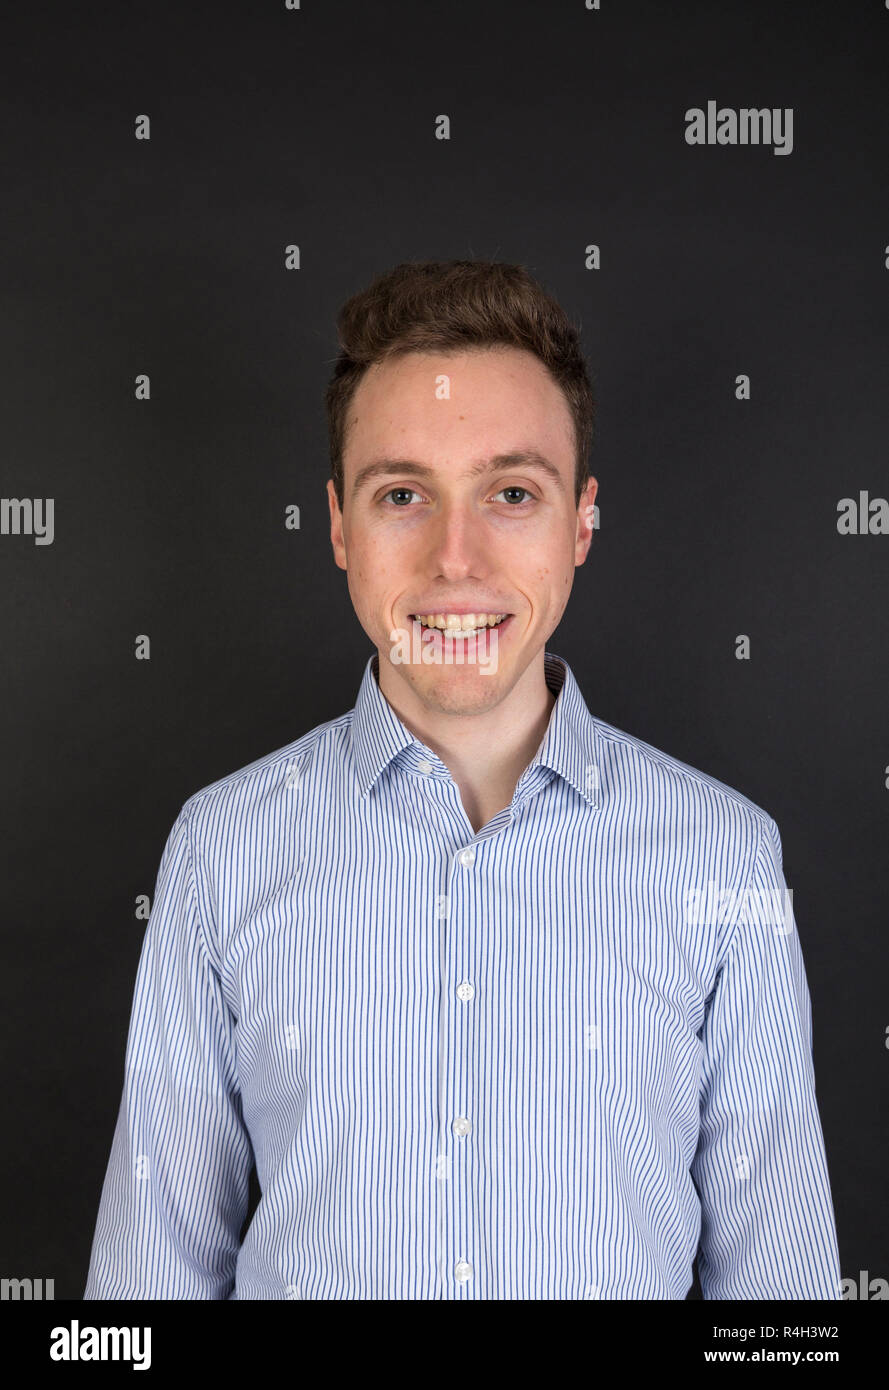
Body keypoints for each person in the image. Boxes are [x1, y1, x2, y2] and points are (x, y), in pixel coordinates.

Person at [84, 259, 841, 1299]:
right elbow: (148, 1282)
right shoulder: (220, 849)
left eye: (511, 493)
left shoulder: (726, 856)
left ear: (579, 521)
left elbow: (780, 1301)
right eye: (404, 494)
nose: (455, 557)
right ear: (341, 527)